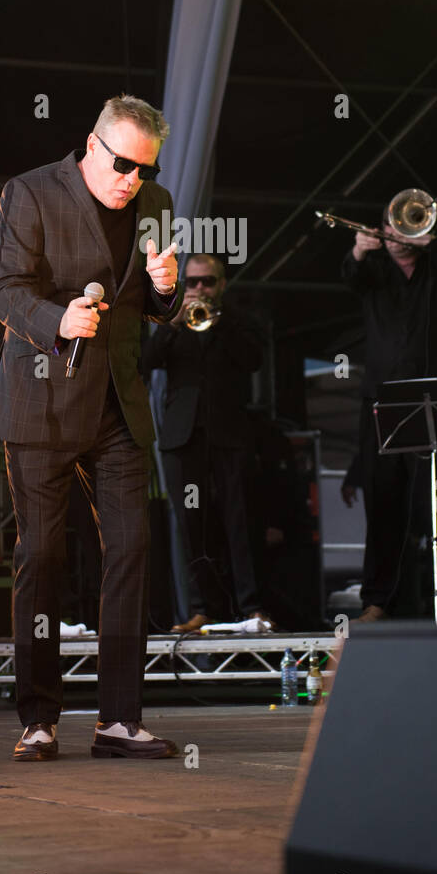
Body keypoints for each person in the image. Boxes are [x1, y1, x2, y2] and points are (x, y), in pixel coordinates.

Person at [0, 94, 181, 761]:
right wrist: (55, 321)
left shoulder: (156, 204)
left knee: (129, 550)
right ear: (92, 146)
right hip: (42, 401)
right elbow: (5, 291)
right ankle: (38, 718)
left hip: (118, 406)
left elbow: (152, 308)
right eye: (122, 163)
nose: (133, 179)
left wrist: (166, 289)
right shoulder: (30, 192)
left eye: (145, 169)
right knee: (43, 555)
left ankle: (118, 720)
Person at [342, 207, 437, 622]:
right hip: (381, 400)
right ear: (382, 231)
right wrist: (360, 251)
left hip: (432, 399)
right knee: (382, 504)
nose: (399, 233)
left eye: (408, 223)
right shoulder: (375, 271)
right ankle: (378, 601)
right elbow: (350, 278)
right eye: (392, 225)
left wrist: (431, 247)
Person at [142, 254, 268, 632]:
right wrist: (173, 326)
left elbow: (254, 360)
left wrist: (221, 321)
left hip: (229, 434)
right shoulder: (171, 321)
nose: (199, 289)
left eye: (207, 282)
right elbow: (144, 363)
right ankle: (203, 608)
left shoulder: (238, 320)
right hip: (183, 437)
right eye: (192, 282)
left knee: (239, 521)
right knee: (190, 524)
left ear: (222, 285)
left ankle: (251, 607)